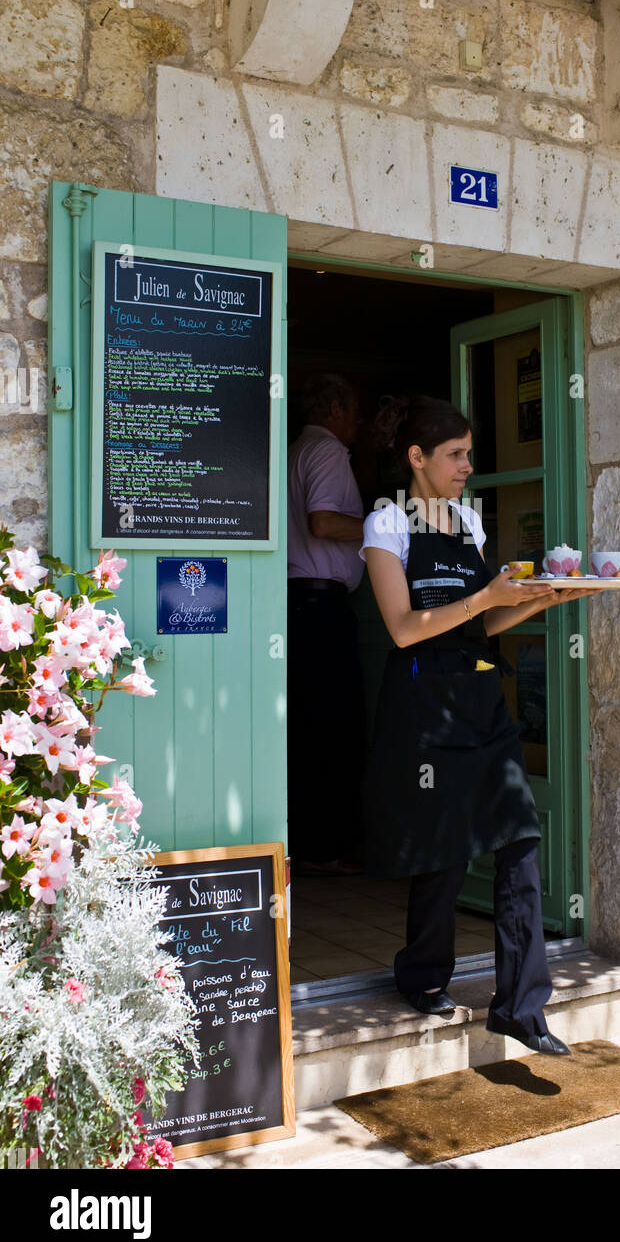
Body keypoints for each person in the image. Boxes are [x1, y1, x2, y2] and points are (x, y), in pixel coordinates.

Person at [359, 395, 601, 1055]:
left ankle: (522, 1007)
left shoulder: (469, 521)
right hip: (424, 701)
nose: (469, 466)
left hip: (483, 695)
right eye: (456, 455)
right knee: (443, 848)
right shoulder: (387, 524)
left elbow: (486, 622)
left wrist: (547, 598)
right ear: (417, 458)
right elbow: (406, 630)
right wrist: (486, 595)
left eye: (470, 453)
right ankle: (423, 976)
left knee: (520, 838)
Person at [287, 372, 367, 875]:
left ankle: (309, 842)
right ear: (335, 408)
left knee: (308, 726)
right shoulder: (329, 452)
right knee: (334, 728)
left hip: (299, 605)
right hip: (321, 606)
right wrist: (389, 525)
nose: (357, 420)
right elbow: (323, 521)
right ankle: (326, 849)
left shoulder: (294, 449)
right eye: (354, 409)